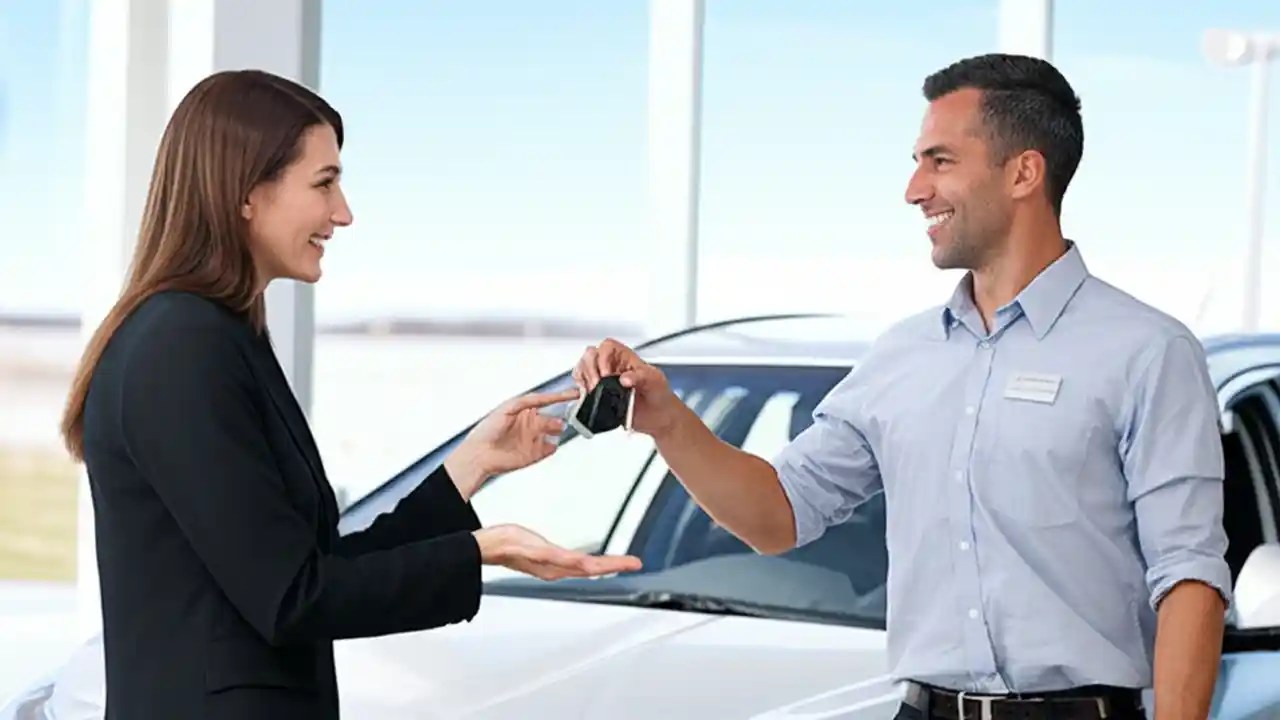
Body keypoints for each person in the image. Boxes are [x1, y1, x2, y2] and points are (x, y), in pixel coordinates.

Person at [575, 53, 1230, 720]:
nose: (915, 190)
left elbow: (1189, 576)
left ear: (1024, 172)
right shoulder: (902, 356)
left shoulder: (1148, 351)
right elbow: (778, 515)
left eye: (940, 161)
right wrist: (668, 422)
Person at [58, 69, 640, 720]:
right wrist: (484, 549)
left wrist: (470, 467)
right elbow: (294, 598)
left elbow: (315, 564)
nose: (344, 213)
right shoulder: (183, 346)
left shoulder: (217, 336)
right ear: (247, 192)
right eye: (324, 183)